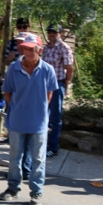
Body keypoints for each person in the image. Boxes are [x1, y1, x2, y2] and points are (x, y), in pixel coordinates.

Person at [0, 33, 58, 205]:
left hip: (38, 122)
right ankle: (13, 189)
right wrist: (17, 108)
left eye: (31, 49)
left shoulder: (48, 70)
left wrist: (39, 111)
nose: (27, 51)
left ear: (39, 50)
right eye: (25, 48)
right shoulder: (14, 69)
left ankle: (36, 193)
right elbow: (7, 92)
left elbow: (49, 94)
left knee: (38, 159)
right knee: (15, 157)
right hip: (17, 121)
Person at [41, 23, 74, 157]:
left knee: (55, 117)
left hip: (57, 83)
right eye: (50, 32)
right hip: (44, 84)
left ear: (59, 33)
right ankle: (42, 144)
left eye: (54, 32)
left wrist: (67, 83)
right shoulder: (46, 48)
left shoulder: (64, 48)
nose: (51, 34)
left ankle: (53, 147)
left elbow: (69, 67)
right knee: (43, 114)